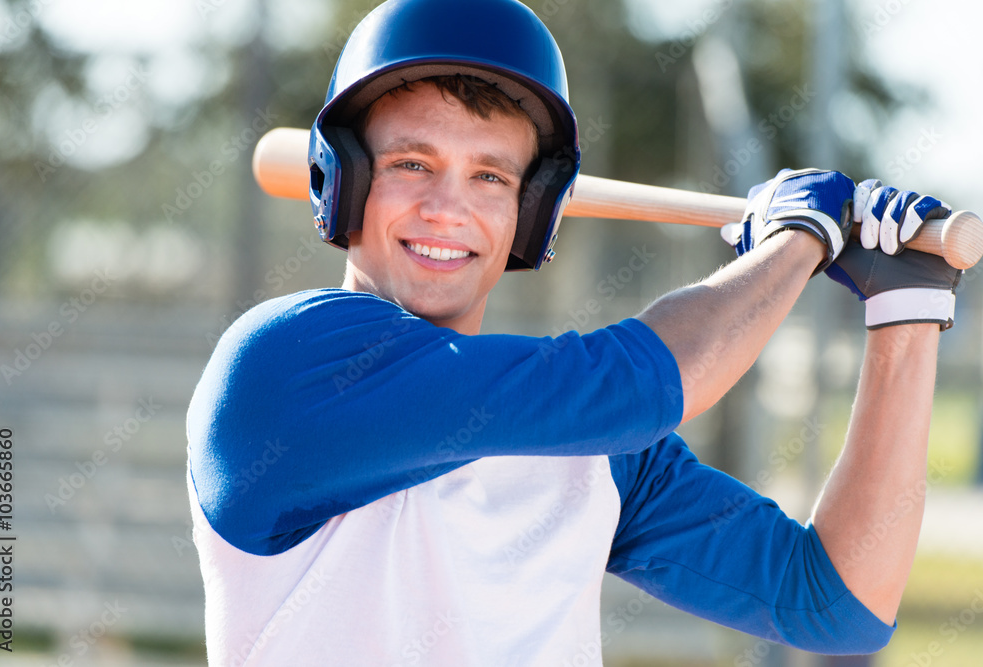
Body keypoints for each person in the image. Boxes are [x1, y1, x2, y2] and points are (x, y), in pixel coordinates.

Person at [185, 0, 961, 664]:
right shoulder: (284, 366)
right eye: (412, 165)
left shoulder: (591, 447)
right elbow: (641, 382)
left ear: (533, 208)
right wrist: (796, 242)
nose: (448, 209)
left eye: (490, 176)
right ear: (345, 178)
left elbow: (835, 601)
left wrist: (907, 309)